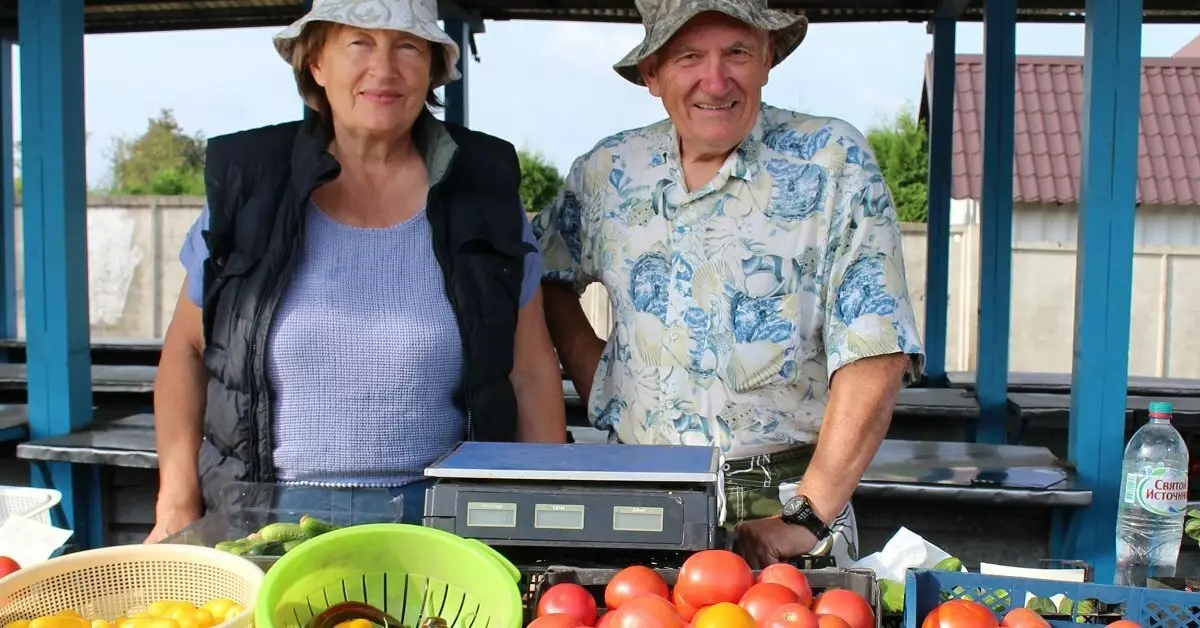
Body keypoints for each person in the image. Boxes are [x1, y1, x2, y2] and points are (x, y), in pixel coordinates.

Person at [147, 0, 566, 542]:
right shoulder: (249, 190)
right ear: (315, 64)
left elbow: (530, 370)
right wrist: (176, 504)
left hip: (443, 522)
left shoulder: (485, 194)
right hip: (266, 521)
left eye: (408, 46)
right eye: (359, 43)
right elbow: (185, 350)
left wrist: (549, 512)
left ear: (434, 69)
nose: (384, 69)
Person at [532, 0, 925, 569]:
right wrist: (595, 369)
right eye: (689, 56)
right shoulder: (609, 172)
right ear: (652, 74)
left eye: (737, 52)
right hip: (638, 507)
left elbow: (877, 347)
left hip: (785, 514)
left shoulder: (833, 163)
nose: (715, 81)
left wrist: (807, 517)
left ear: (767, 59)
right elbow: (539, 271)